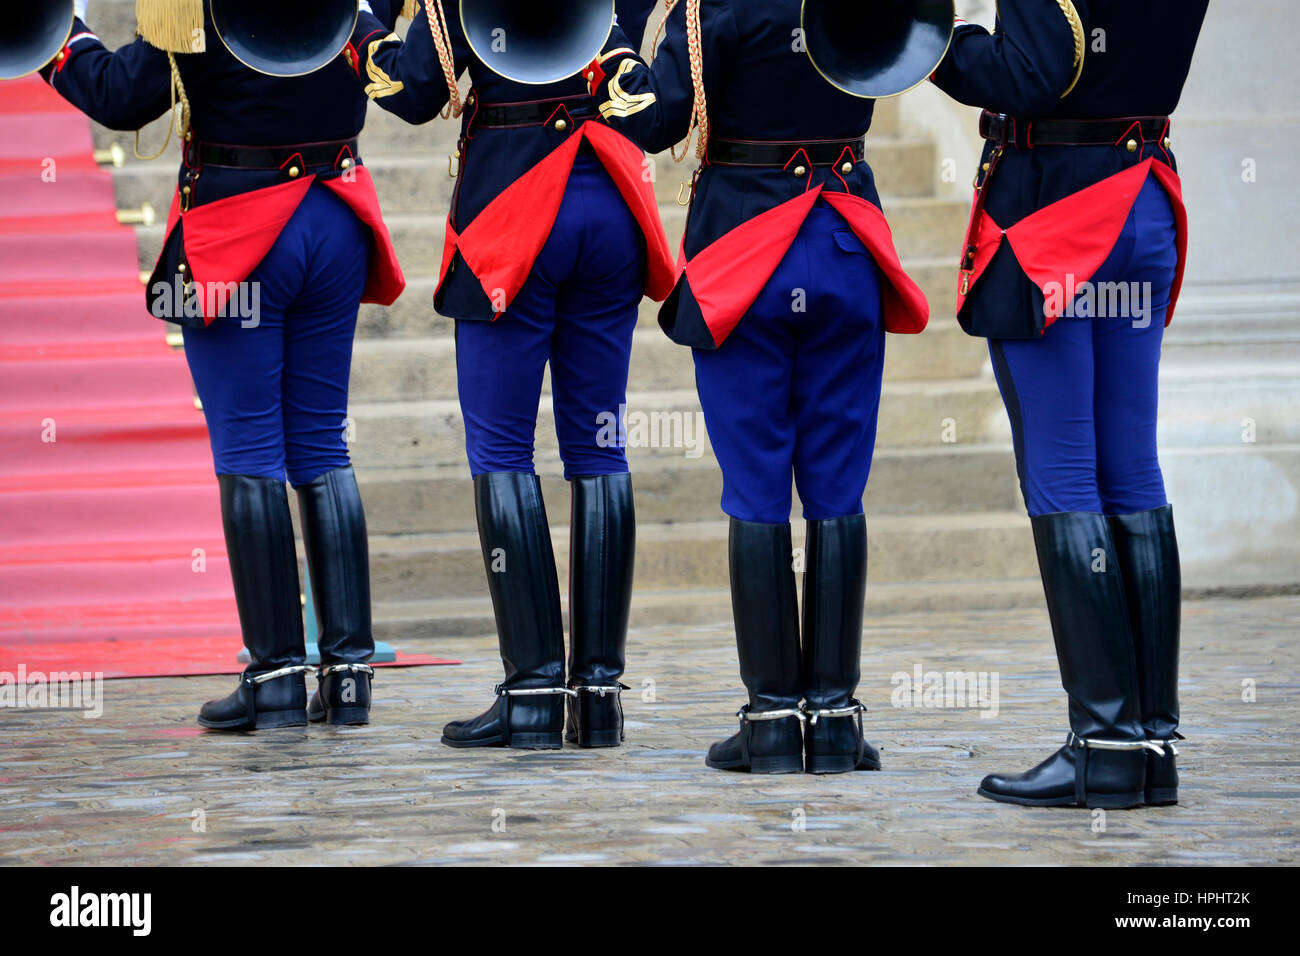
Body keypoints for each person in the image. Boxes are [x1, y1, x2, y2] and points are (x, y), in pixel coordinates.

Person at [583, 0, 930, 773]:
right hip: (845, 240)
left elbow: (657, 120)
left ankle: (772, 718)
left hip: (746, 252)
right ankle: (836, 719)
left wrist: (611, 43)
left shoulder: (714, 8)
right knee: (839, 489)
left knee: (757, 488)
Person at [43, 0, 408, 730]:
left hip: (238, 227)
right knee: (322, 443)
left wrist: (66, 35)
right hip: (334, 217)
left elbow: (123, 96)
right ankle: (347, 679)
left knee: (249, 449)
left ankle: (274, 676)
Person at [348, 1, 674, 749]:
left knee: (500, 450)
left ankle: (531, 692)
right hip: (611, 197)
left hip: (515, 201)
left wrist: (366, 29)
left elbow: (418, 93)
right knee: (600, 447)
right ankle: (597, 698)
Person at [931, 0, 1210, 807]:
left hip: (1056, 215)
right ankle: (1149, 739)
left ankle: (1102, 741)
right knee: (1132, 469)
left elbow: (1026, 74)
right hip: (1142, 200)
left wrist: (936, 39)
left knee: (1062, 474)